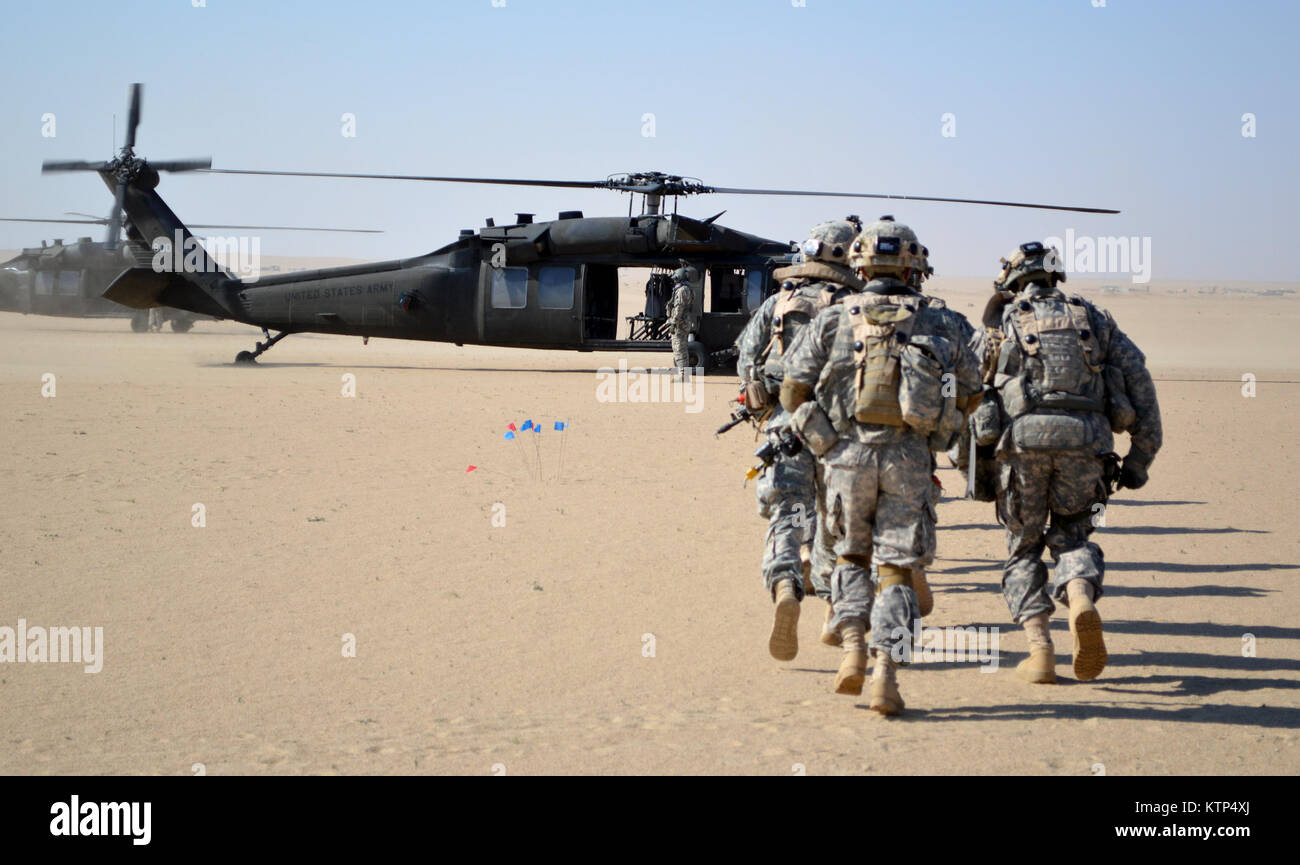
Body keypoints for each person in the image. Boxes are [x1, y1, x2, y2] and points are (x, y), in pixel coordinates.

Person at [781, 217, 980, 714]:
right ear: (915, 267)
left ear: (860, 264)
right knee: (895, 568)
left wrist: (825, 443)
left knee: (849, 558)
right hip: (910, 461)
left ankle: (851, 650)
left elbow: (792, 389)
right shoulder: (943, 321)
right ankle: (885, 675)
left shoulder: (833, 317)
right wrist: (944, 428)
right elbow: (974, 389)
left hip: (846, 460)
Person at [976, 242, 1161, 683]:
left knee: (1023, 546)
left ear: (1014, 279)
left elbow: (969, 388)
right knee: (1073, 535)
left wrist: (974, 465)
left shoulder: (1000, 321)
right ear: (1055, 276)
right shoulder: (1093, 318)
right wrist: (1140, 458)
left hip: (1022, 445)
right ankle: (1080, 597)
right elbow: (1139, 382)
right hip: (1087, 444)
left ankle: (1040, 651)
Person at [735, 219, 863, 661]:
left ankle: (787, 586)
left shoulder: (777, 303)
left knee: (786, 514)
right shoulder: (858, 306)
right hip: (841, 434)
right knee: (837, 522)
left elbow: (747, 363)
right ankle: (832, 611)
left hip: (784, 425)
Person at [666, 264, 700, 373]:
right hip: (685, 322)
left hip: (679, 324)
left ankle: (682, 373)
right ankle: (684, 371)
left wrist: (673, 323)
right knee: (683, 348)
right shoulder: (688, 288)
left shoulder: (681, 290)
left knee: (678, 348)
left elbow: (679, 308)